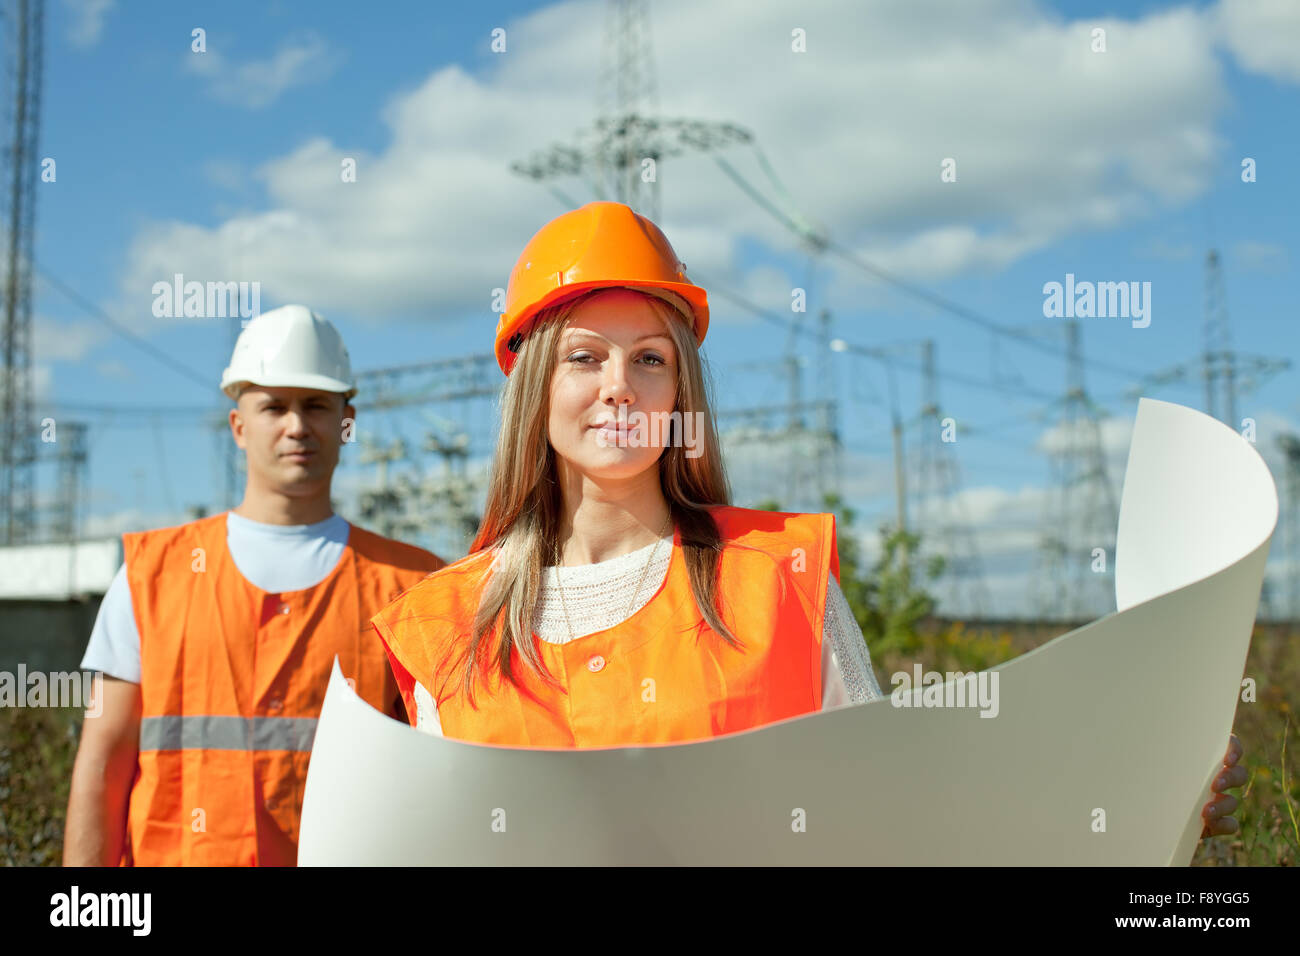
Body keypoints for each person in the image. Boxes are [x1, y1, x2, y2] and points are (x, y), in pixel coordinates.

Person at [371, 201, 1244, 843]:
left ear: (682, 392)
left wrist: (1141, 796)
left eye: (649, 359)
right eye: (584, 358)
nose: (618, 387)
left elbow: (899, 806)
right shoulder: (445, 628)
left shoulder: (778, 578)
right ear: (533, 390)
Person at [63, 304, 446, 866]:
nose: (296, 426)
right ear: (239, 426)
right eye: (274, 406)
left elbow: (442, 778)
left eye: (315, 405)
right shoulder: (152, 573)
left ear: (347, 421)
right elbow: (103, 763)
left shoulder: (415, 585)